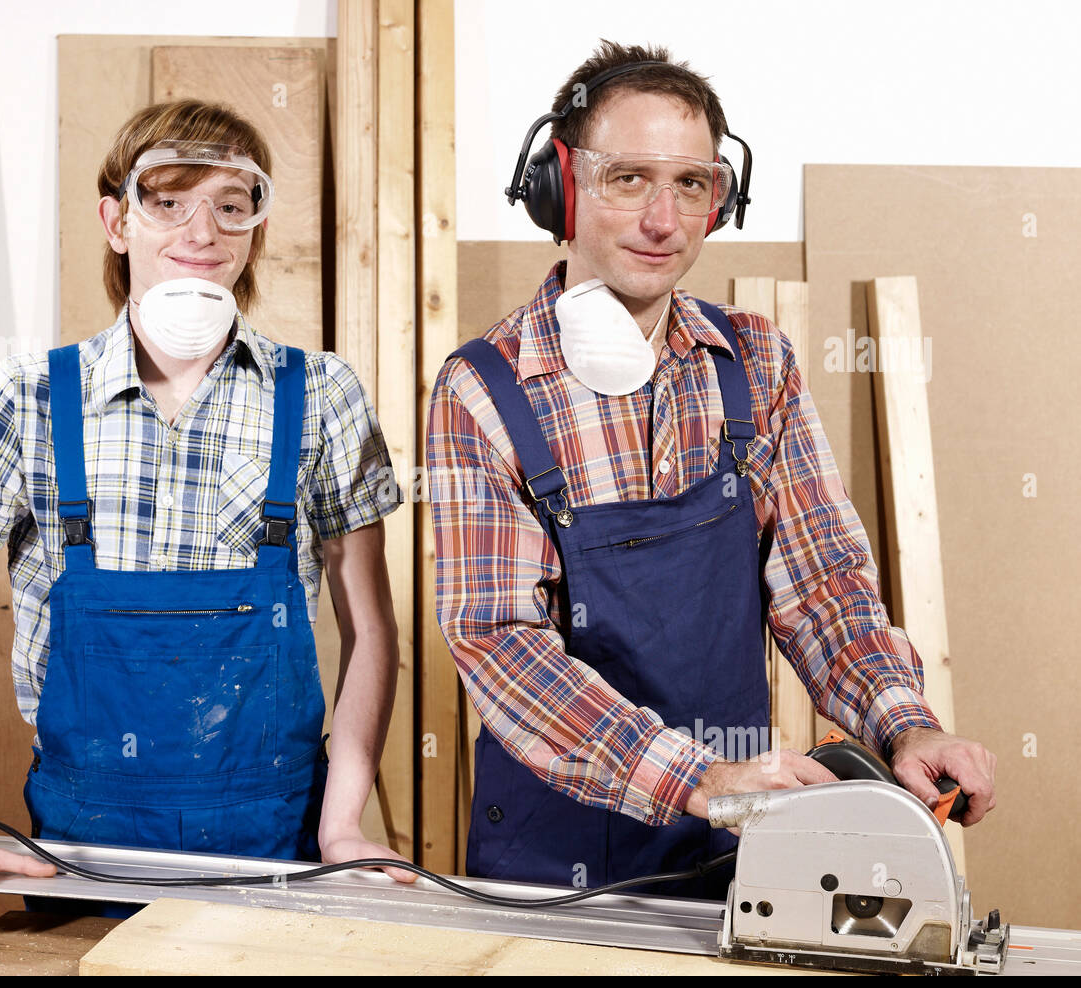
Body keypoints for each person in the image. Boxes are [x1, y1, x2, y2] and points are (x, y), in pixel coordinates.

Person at [427, 41, 997, 898]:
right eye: (628, 178)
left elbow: (823, 585)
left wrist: (905, 726)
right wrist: (699, 779)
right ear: (561, 183)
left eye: (691, 184)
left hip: (740, 842)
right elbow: (501, 643)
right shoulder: (485, 389)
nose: (664, 219)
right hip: (557, 863)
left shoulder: (755, 364)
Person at [0, 98, 412, 928]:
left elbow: (372, 628)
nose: (200, 230)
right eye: (167, 201)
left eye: (231, 205)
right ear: (116, 221)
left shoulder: (320, 396)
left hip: (279, 850)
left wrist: (343, 824)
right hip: (84, 858)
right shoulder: (27, 400)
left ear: (254, 229)